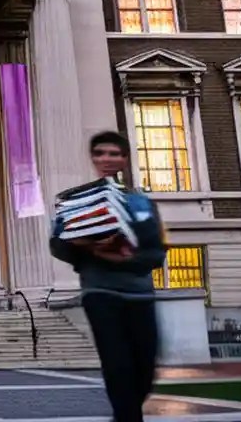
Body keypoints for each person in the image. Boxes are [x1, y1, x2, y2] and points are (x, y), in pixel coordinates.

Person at [50, 130, 166, 422]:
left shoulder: (142, 203)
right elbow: (58, 245)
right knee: (117, 364)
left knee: (145, 367)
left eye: (114, 153)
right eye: (100, 153)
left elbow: (156, 253)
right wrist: (89, 248)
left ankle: (125, 414)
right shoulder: (76, 201)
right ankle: (128, 418)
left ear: (125, 159)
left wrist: (123, 257)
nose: (106, 159)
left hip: (139, 293)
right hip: (100, 293)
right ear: (92, 158)